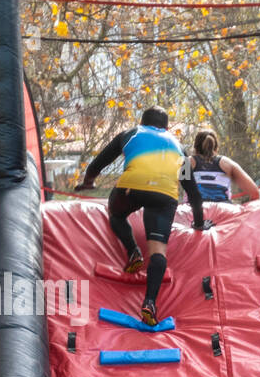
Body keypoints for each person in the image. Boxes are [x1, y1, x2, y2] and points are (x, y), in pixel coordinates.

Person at [75, 107, 205, 326]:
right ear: (166, 127)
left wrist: (88, 182)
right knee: (158, 251)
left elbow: (99, 163)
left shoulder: (131, 133)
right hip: (164, 195)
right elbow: (191, 190)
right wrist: (200, 223)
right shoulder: (179, 147)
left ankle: (133, 251)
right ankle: (150, 302)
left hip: (131, 188)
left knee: (116, 214)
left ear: (143, 122)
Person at [180, 129, 260, 218]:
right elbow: (254, 193)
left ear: (195, 146)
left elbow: (173, 187)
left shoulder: (187, 163)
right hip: (224, 212)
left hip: (193, 213)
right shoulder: (228, 164)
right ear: (216, 146)